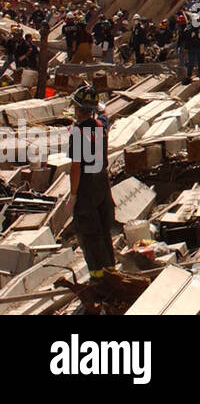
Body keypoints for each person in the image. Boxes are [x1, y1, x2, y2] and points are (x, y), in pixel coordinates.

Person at [68, 83, 117, 281]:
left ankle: (98, 279)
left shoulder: (78, 133)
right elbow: (104, 114)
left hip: (87, 187)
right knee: (105, 231)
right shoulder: (100, 126)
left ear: (79, 110)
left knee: (89, 234)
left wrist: (73, 195)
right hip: (102, 184)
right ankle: (112, 273)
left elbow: (76, 167)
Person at [179, 13, 200, 82]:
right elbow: (186, 39)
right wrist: (185, 48)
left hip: (198, 47)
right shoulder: (189, 29)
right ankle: (189, 75)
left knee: (199, 62)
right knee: (191, 62)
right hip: (192, 48)